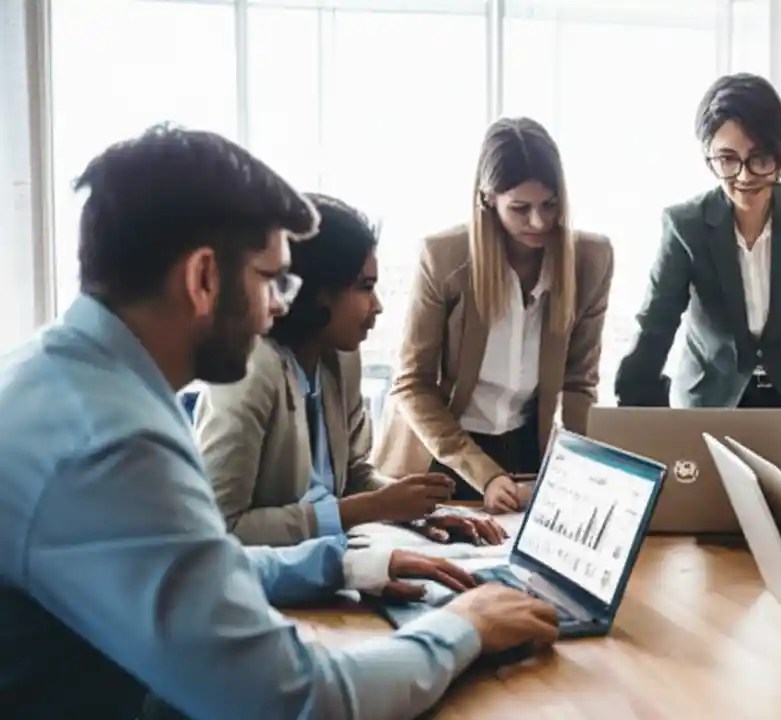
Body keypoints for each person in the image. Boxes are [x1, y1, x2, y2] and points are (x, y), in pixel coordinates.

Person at [0, 126, 558, 719]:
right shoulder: (112, 443)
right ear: (205, 279)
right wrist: (461, 628)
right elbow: (291, 702)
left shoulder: (64, 377)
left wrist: (342, 563)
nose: (280, 306)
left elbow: (190, 560)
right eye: (272, 279)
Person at [194, 194, 505, 547]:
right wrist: (367, 509)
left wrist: (419, 512)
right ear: (317, 291)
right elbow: (220, 529)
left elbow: (355, 476)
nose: (378, 306)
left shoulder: (340, 358)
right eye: (365, 287)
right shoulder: (250, 371)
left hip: (327, 563)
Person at [613, 73, 781, 494]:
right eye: (727, 159)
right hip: (711, 407)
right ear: (708, 154)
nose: (743, 175)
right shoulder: (685, 225)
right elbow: (655, 330)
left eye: (759, 158)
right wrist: (641, 435)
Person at [373, 117, 614, 513]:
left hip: (524, 450)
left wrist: (582, 476)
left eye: (550, 205)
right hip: (441, 453)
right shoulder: (444, 257)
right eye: (520, 208)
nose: (539, 222)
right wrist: (483, 472)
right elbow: (412, 384)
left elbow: (579, 384)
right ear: (488, 198)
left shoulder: (591, 260)